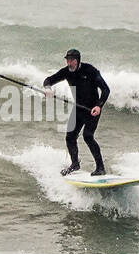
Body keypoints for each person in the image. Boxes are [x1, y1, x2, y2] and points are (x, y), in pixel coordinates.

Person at [43, 48, 110, 176]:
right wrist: (48, 89)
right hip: (78, 108)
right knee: (70, 137)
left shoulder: (90, 70)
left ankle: (101, 168)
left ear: (77, 60)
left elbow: (106, 90)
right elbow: (48, 80)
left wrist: (99, 106)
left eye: (72, 60)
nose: (69, 63)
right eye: (67, 60)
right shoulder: (66, 72)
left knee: (88, 136)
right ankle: (75, 164)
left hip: (92, 110)